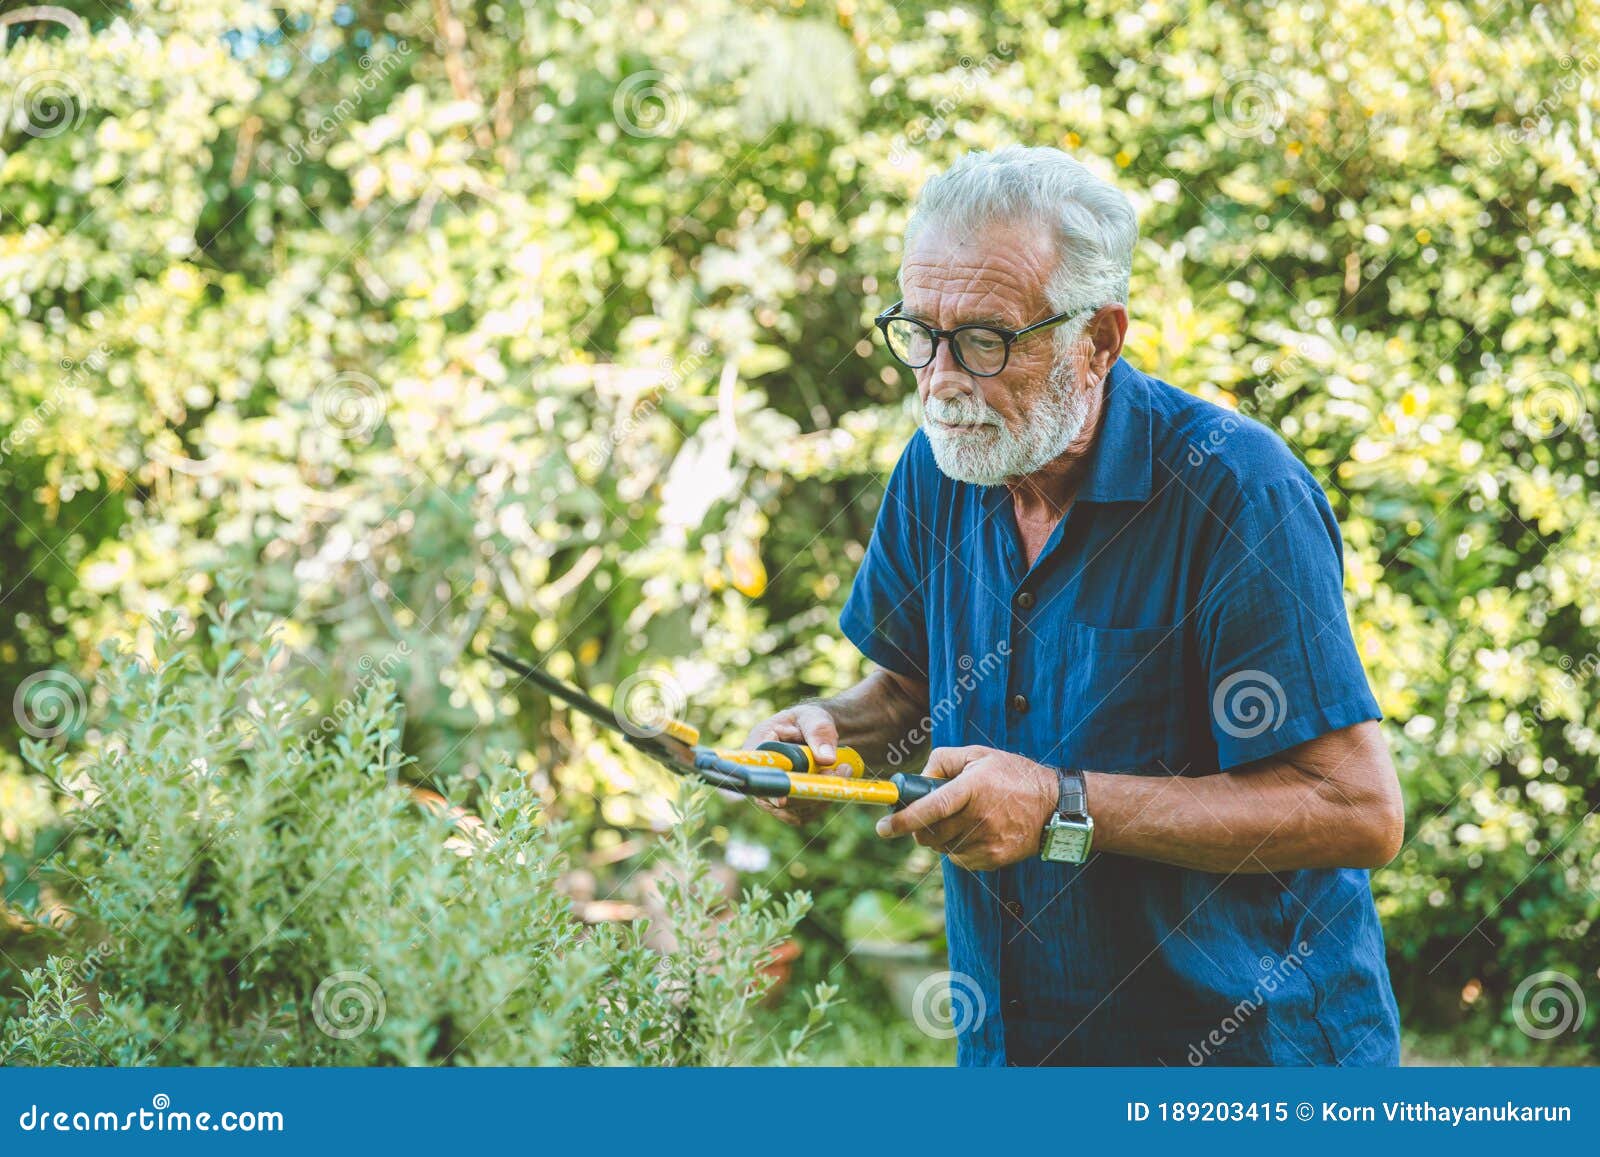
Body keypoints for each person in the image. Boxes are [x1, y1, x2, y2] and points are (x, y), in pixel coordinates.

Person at [744, 145, 1404, 1066]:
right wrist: (824, 736)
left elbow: (1357, 809)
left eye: (985, 339)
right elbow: (906, 695)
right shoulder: (939, 468)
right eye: (919, 334)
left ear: (1098, 342)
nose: (940, 380)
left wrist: (1064, 806)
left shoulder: (1237, 490)